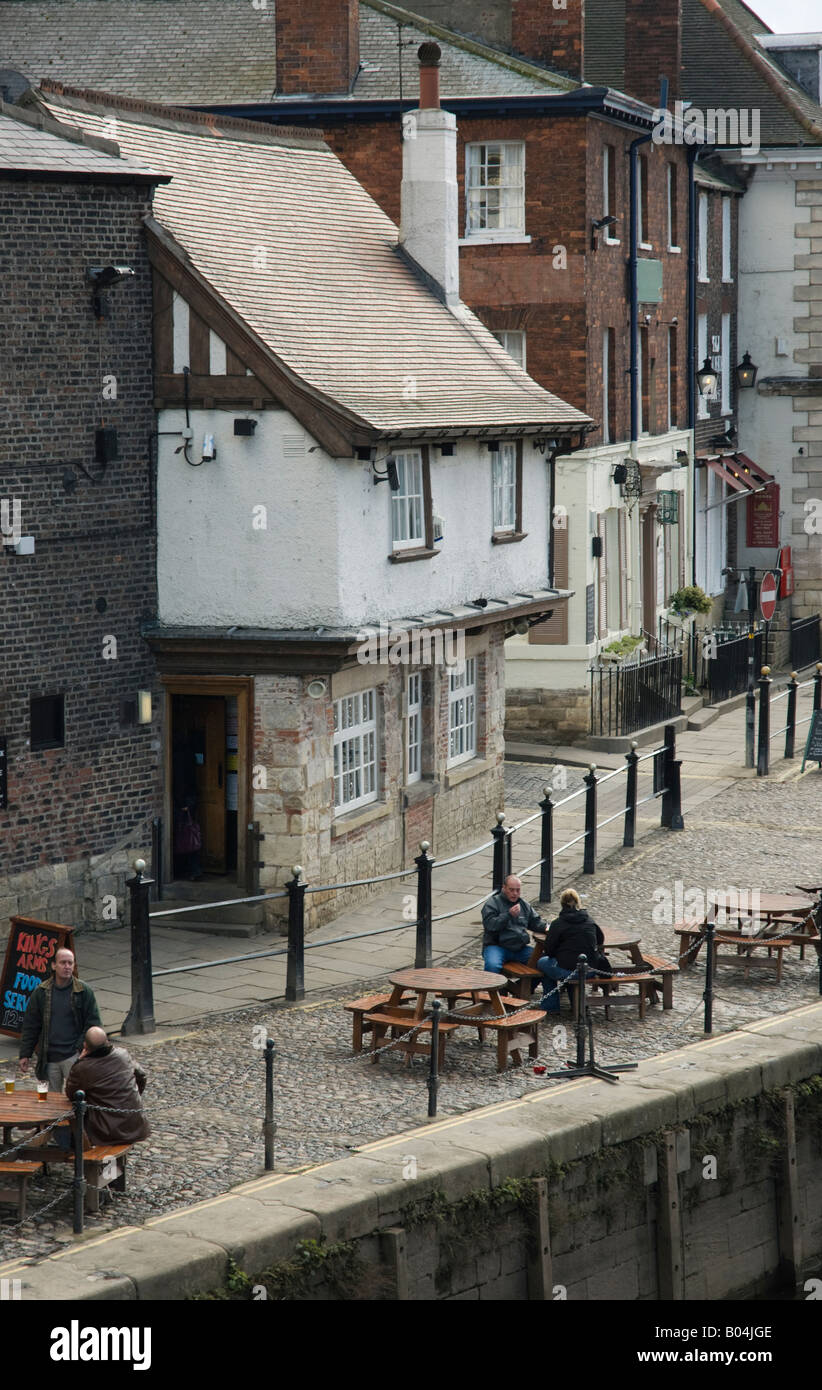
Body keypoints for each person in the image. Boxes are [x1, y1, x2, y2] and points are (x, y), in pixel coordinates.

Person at [18, 947, 102, 1091]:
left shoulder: (83, 991)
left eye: (70, 963)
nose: (67, 966)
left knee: (77, 1098)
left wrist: (80, 1048)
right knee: (51, 1101)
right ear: (53, 965)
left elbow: (93, 1023)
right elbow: (31, 1025)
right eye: (63, 963)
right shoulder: (41, 992)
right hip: (49, 1057)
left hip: (74, 1055)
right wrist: (25, 1054)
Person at [65, 1027, 150, 1148]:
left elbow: (71, 1093)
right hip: (133, 1124)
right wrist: (134, 1097)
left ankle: (79, 1155)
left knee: (79, 1118)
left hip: (105, 1131)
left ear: (85, 1046)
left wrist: (79, 1061)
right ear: (107, 1041)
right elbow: (141, 1076)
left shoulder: (83, 1067)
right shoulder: (122, 1055)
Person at [537, 888, 609, 1013]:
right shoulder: (589, 920)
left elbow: (549, 950)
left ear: (562, 904)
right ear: (578, 903)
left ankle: (551, 1005)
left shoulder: (558, 924)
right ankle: (575, 1003)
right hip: (589, 969)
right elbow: (600, 939)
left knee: (543, 963)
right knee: (567, 965)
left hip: (569, 970)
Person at [481, 875, 546, 973]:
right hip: (496, 946)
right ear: (504, 888)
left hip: (519, 948)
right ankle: (491, 988)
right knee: (492, 966)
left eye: (518, 890)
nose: (515, 893)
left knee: (543, 963)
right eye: (511, 890)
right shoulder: (492, 903)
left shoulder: (524, 905)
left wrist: (549, 927)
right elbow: (490, 925)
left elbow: (536, 922)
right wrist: (508, 915)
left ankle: (523, 988)